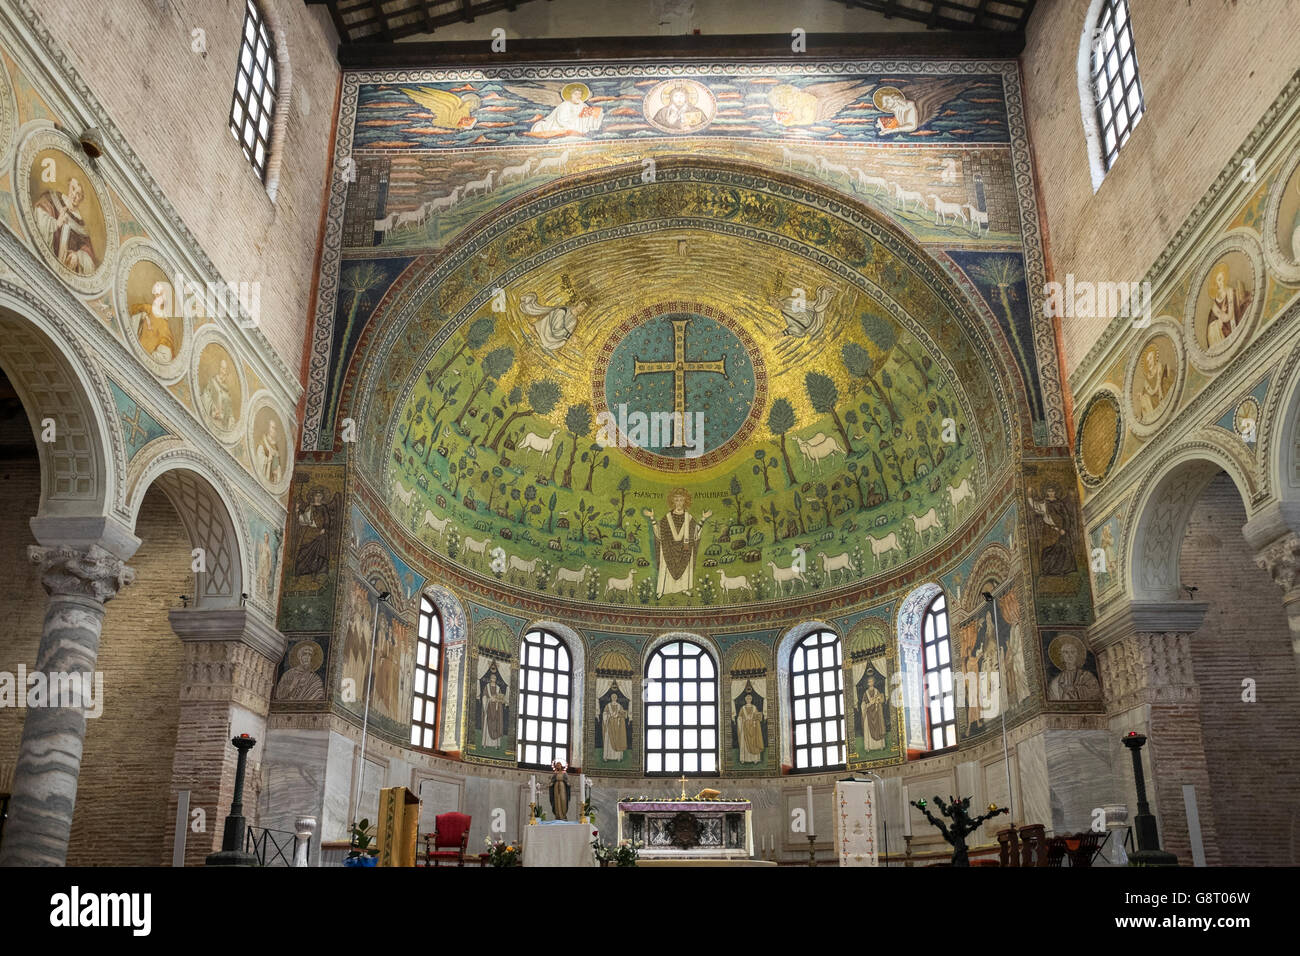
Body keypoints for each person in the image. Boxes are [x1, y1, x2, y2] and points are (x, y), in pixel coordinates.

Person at [643, 487, 711, 598]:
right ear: (673, 501)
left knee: (685, 567)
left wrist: (703, 519)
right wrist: (652, 518)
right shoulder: (667, 518)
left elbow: (695, 533)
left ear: (685, 501)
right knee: (666, 566)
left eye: (681, 500)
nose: (679, 503)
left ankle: (684, 588)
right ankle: (662, 590)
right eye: (676, 500)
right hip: (668, 549)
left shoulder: (689, 518)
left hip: (685, 549)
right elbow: (659, 534)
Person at [33, 175, 99, 274]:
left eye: (79, 194)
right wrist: (56, 224)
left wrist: (78, 257)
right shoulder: (53, 198)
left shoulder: (81, 224)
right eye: (73, 189)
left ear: (82, 198)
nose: (74, 195)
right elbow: (39, 214)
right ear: (69, 185)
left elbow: (88, 252)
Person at [1027, 483, 1077, 575]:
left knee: (1062, 548)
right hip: (1049, 530)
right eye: (1049, 491)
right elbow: (1035, 506)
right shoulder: (1044, 503)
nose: (1051, 493)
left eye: (1052, 491)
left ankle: (1063, 569)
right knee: (1048, 548)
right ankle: (1050, 570)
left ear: (1055, 492)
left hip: (1061, 529)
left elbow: (1066, 516)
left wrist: (1064, 529)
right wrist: (1029, 496)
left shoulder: (1060, 503)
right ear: (1046, 492)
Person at [1206, 264, 1251, 348]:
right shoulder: (1215, 306)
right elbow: (1227, 317)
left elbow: (1242, 302)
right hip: (1227, 333)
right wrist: (1221, 317)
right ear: (1216, 283)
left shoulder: (1232, 292)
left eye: (1223, 278)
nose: (1222, 282)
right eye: (1219, 280)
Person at [531, 83, 602, 135]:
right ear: (571, 95)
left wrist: (594, 114)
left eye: (579, 94)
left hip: (577, 125)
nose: (578, 96)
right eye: (576, 94)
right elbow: (561, 120)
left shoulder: (583, 105)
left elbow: (587, 115)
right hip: (561, 125)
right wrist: (576, 119)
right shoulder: (565, 105)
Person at [1047, 637, 1101, 701]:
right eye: (1066, 652)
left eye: (1073, 652)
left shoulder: (1087, 676)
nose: (1070, 656)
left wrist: (1075, 688)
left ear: (1077, 655)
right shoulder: (1055, 682)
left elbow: (1095, 691)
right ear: (1061, 656)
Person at [134, 298, 176, 362]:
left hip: (157, 351)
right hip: (144, 347)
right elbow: (134, 309)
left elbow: (168, 340)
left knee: (167, 356)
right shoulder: (149, 309)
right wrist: (142, 316)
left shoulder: (165, 323)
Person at [1137, 343, 1171, 421]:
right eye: (1147, 360)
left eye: (1150, 358)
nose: (1149, 362)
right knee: (1144, 398)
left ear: (1155, 357)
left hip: (1163, 396)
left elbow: (1169, 375)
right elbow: (1146, 395)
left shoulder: (1161, 368)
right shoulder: (1146, 382)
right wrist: (1141, 397)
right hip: (1153, 407)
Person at [200, 358, 236, 430]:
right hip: (210, 420)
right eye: (223, 369)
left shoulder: (227, 391)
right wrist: (213, 411)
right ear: (219, 368)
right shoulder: (213, 382)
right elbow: (205, 396)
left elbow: (229, 410)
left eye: (225, 370)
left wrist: (230, 419)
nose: (224, 372)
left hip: (221, 426)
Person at [734, 692, 765, 764]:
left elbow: (758, 717)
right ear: (745, 699)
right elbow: (739, 717)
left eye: (750, 698)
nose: (748, 699)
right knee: (744, 743)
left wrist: (757, 718)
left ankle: (755, 759)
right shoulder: (743, 708)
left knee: (754, 742)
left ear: (751, 699)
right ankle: (744, 759)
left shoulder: (754, 708)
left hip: (753, 728)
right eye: (747, 698)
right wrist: (742, 720)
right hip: (745, 728)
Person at [480, 663, 506, 748]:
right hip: (488, 708)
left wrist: (498, 700)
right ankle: (485, 743)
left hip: (496, 709)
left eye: (494, 678)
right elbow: (484, 696)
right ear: (490, 679)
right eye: (492, 678)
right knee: (488, 724)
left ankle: (496, 744)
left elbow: (501, 698)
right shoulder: (487, 687)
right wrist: (489, 699)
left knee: (496, 725)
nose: (493, 679)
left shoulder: (498, 688)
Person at [858, 677, 886, 751]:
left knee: (878, 727)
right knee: (867, 727)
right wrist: (869, 704)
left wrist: (878, 701)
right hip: (868, 713)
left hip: (876, 713)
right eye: (869, 682)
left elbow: (881, 700)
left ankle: (880, 746)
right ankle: (869, 747)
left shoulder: (877, 691)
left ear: (873, 682)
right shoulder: (866, 693)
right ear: (867, 683)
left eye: (871, 681)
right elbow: (863, 704)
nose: (870, 683)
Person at [255, 416, 284, 485]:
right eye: (273, 428)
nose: (275, 431)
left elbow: (277, 464)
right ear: (268, 428)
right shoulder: (263, 444)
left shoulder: (275, 446)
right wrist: (268, 460)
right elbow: (259, 459)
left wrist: (277, 470)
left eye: (276, 429)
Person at [601, 689, 629, 760]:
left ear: (616, 698)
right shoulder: (608, 706)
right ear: (611, 698)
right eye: (612, 697)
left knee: (618, 739)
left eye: (615, 697)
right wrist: (609, 715)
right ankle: (607, 756)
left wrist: (618, 715)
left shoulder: (619, 706)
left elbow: (624, 714)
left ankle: (618, 757)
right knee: (608, 740)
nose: (614, 698)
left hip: (617, 726)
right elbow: (604, 714)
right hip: (609, 725)